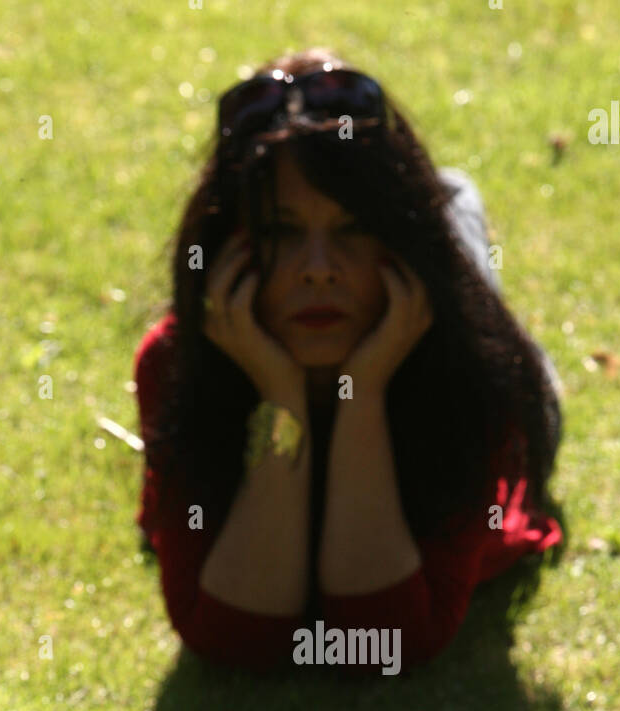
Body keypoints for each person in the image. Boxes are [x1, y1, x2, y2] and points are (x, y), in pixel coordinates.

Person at [134, 46, 565, 676]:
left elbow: (385, 646)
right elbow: (230, 641)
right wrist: (284, 399)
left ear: (396, 240)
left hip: (472, 341)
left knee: (468, 264)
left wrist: (359, 394)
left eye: (352, 230)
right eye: (280, 232)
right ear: (229, 247)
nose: (317, 270)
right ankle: (448, 203)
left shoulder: (473, 367)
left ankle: (452, 209)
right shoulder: (180, 358)